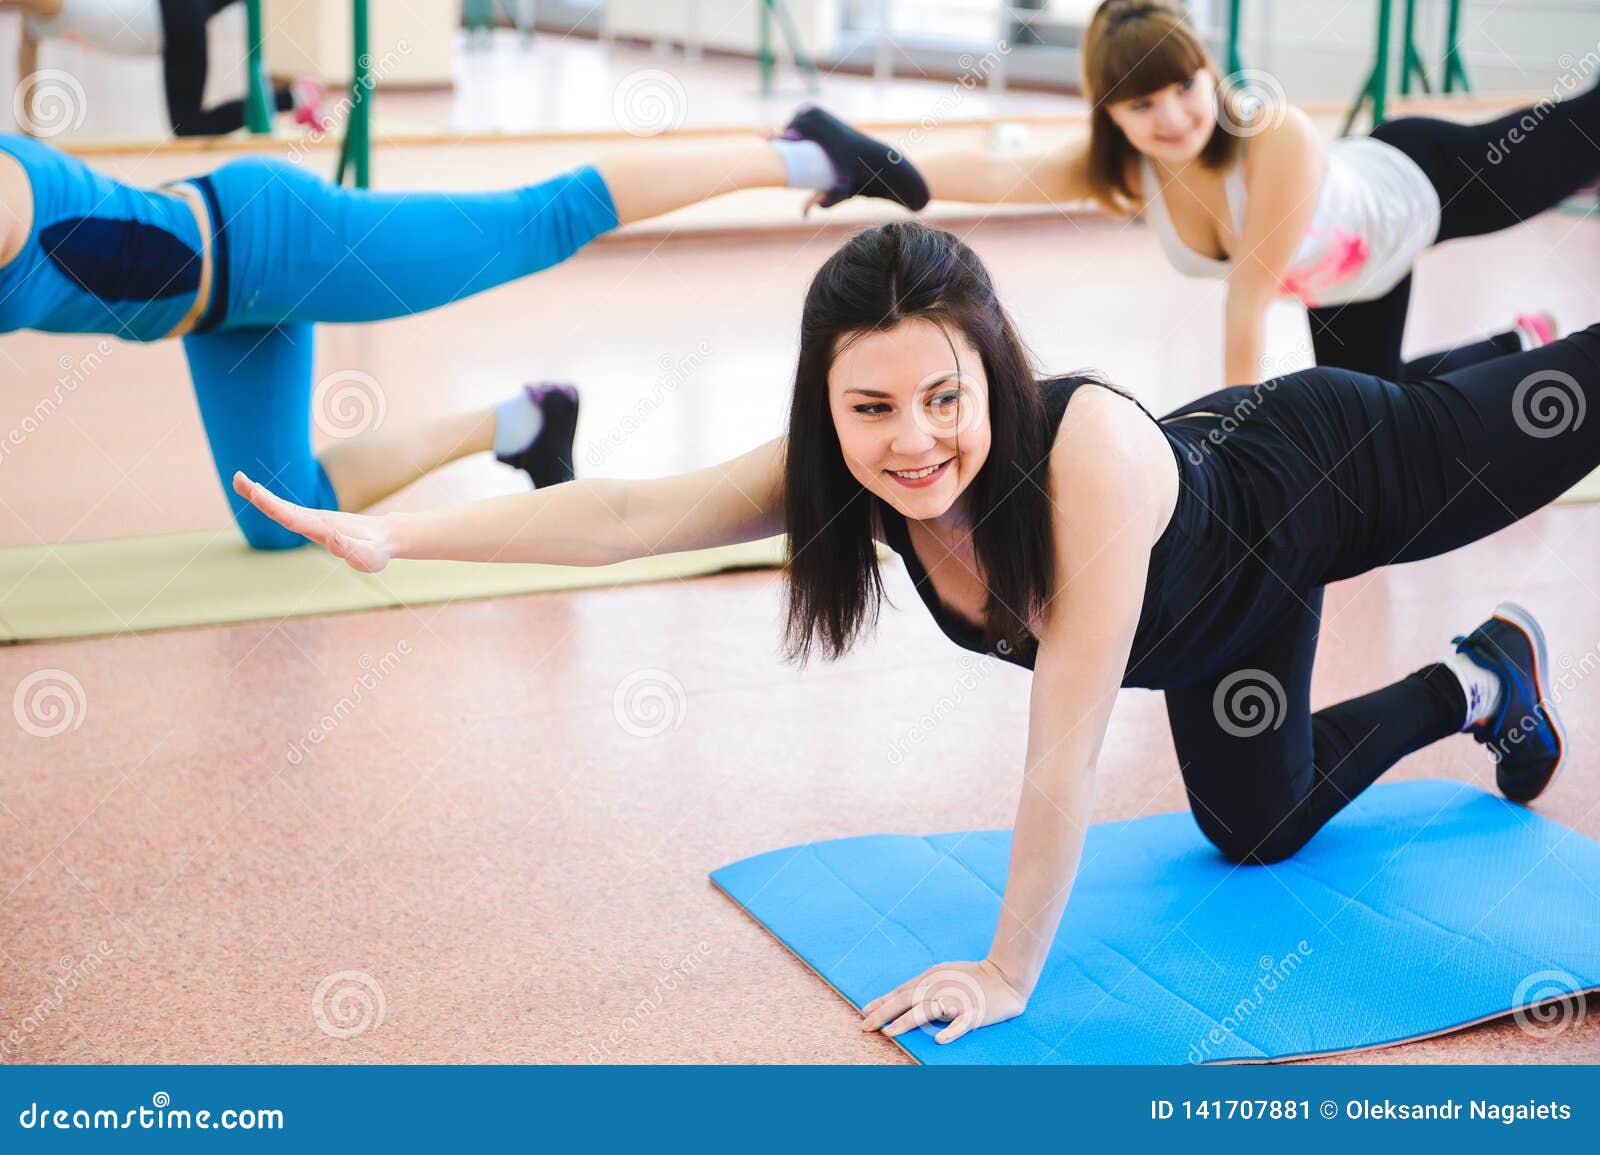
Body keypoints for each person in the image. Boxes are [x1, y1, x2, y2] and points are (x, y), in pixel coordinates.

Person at [229, 220, 1585, 1043]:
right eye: (870, 407)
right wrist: (401, 534)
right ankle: (1479, 678)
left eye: (942, 395)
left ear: (989, 367)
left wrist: (1008, 970)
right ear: (828, 399)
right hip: (1226, 613)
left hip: (1327, 471)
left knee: (1558, 406)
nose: (914, 439)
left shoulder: (1087, 460)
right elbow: (629, 512)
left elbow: (1061, 757)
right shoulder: (851, 461)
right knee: (1254, 821)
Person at [0, 116, 927, 548]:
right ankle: (521, 423)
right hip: (222, 310)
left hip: (275, 242)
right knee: (274, 521)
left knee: (545, 218)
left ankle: (802, 152)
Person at [785, 0, 1600, 386]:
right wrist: (866, 168)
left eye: (1186, 87)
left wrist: (1240, 457)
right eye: (1143, 103)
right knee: (1379, 417)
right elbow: (992, 176)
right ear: (1112, 112)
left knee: (1577, 134)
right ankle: (1514, 349)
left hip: (1422, 184)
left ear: (1210, 74)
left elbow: (1246, 304)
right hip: (1349, 280)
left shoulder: (1275, 137)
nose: (1173, 117)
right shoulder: (1125, 168)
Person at [5, 0, 326, 137]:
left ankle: (296, 95)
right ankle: (297, 95)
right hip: (173, 26)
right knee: (189, 125)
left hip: (171, 18)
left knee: (188, 126)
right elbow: (29, 77)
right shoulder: (32, 25)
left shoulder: (45, 4)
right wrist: (30, 139)